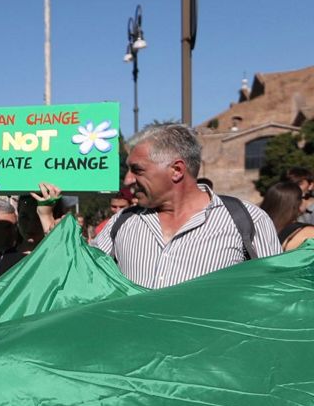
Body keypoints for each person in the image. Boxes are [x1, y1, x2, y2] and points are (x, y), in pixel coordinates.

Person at [92, 122, 280, 287]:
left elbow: (276, 293)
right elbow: (87, 279)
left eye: (137, 170)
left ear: (176, 170)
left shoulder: (247, 220)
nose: (128, 180)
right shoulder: (122, 221)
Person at [260, 180, 314, 252]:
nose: (307, 200)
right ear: (296, 202)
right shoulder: (308, 233)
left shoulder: (258, 230)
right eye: (305, 197)